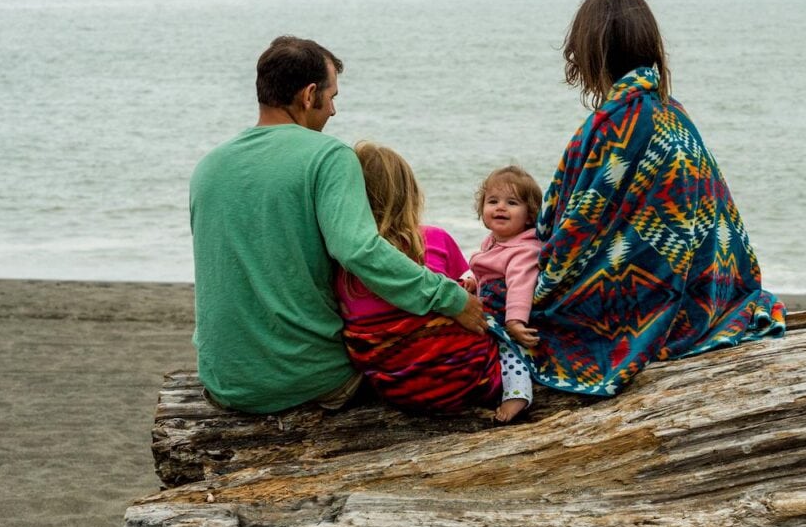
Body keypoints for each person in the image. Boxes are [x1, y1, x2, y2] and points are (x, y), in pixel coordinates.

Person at [189, 36, 485, 414]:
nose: (333, 111)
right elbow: (360, 249)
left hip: (224, 380)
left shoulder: (209, 167)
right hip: (309, 379)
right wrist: (451, 298)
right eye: (332, 97)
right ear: (309, 95)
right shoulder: (328, 156)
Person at [530, 0, 785, 396]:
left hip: (649, 303)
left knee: (509, 301)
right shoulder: (673, 111)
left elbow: (565, 228)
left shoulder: (614, 122)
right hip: (715, 289)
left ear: (591, 52)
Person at [334, 142, 502, 411]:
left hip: (398, 391)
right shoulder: (435, 238)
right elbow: (469, 291)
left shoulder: (341, 265)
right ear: (408, 193)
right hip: (473, 381)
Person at [461, 165, 544, 421]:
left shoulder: (524, 250)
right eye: (493, 201)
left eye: (512, 202)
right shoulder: (493, 241)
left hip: (506, 313)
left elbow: (521, 285)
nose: (500, 207)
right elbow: (481, 269)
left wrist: (515, 322)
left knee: (509, 350)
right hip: (488, 305)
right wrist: (469, 281)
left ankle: (518, 394)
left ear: (530, 215)